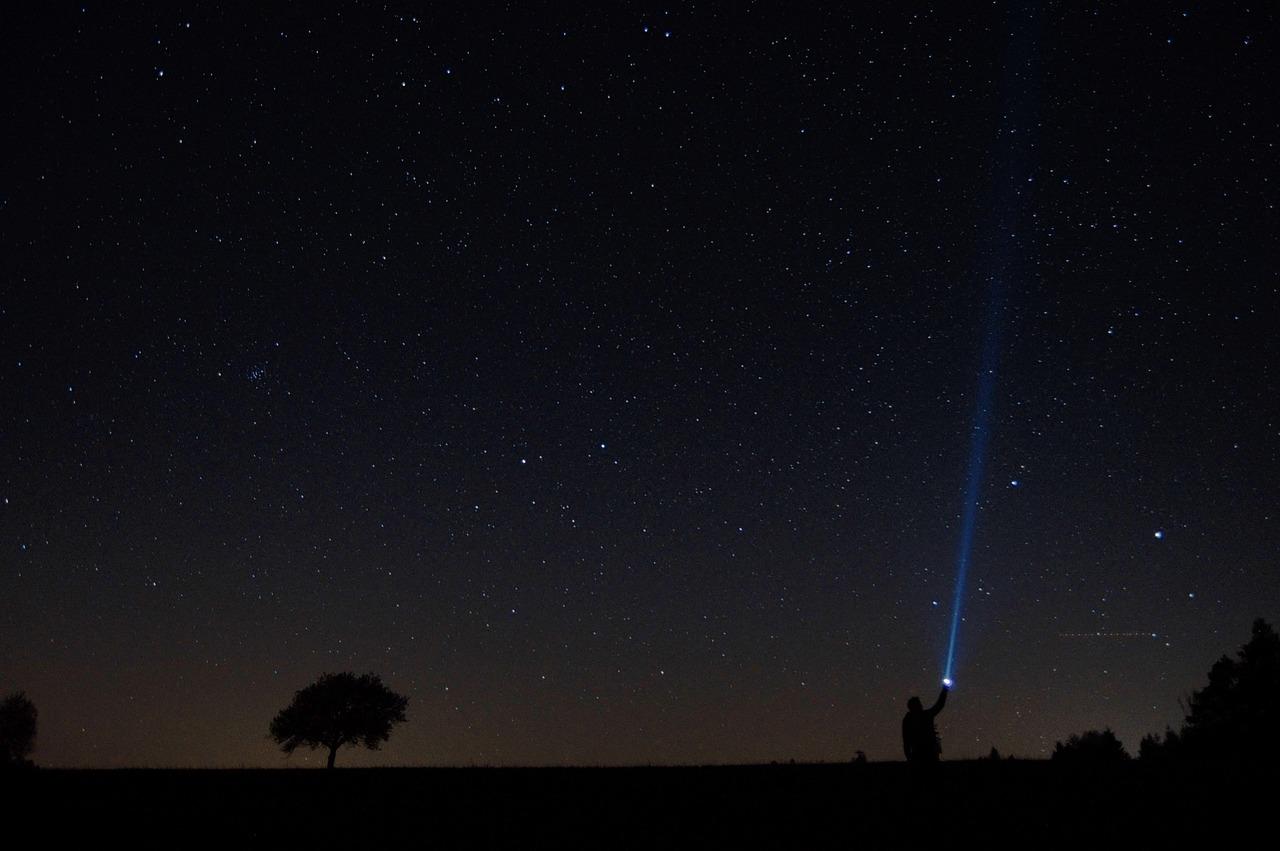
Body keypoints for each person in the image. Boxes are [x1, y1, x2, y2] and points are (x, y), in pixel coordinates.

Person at [903, 683, 950, 762]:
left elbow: (906, 740)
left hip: (917, 753)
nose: (921, 705)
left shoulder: (907, 719)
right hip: (928, 752)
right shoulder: (926, 715)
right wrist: (945, 690)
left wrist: (908, 757)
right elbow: (939, 705)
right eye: (919, 704)